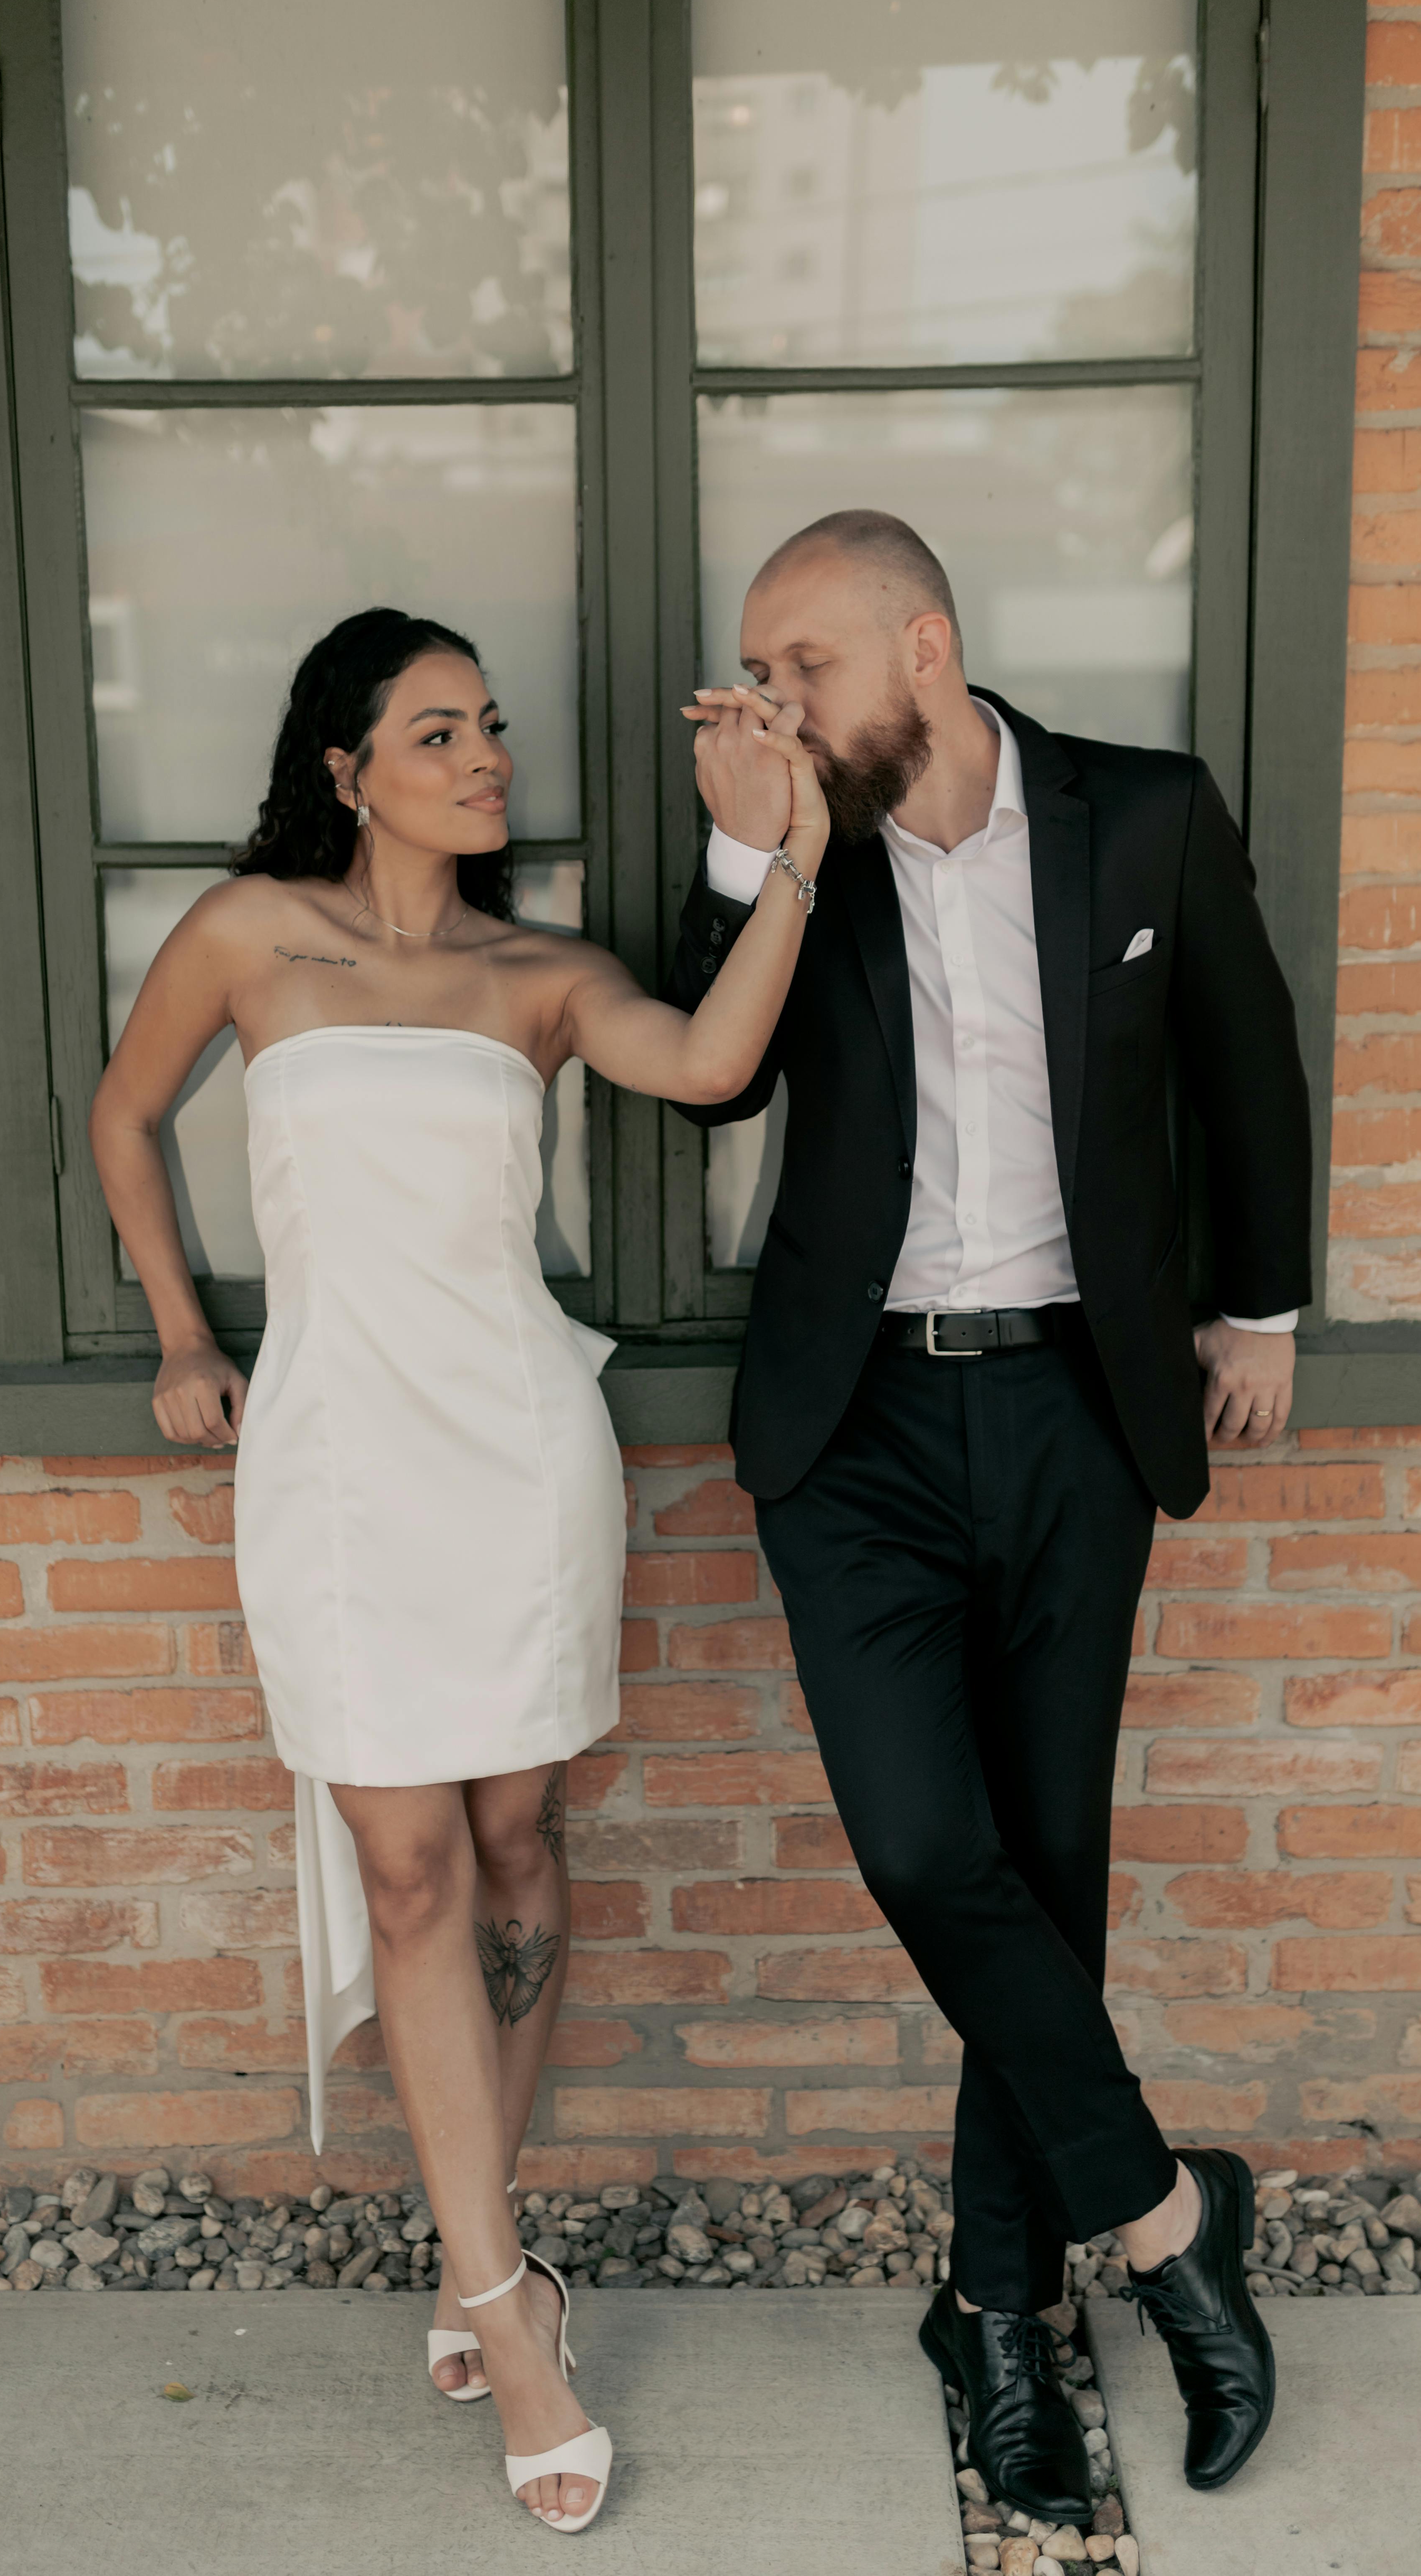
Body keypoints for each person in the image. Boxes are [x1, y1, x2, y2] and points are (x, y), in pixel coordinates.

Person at [89, 605, 827, 2537]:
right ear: (344, 770)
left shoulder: (539, 975)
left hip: (514, 1455)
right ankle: (507, 2318)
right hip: (335, 1464)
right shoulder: (254, 937)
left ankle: (469, 2244)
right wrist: (181, 1335)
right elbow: (123, 1115)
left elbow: (710, 1059)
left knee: (516, 1856)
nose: (482, 757)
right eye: (436, 732)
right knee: (401, 1859)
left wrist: (795, 857)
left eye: (488, 726)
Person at [667, 512, 1306, 2518]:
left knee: (1043, 1868)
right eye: (755, 674)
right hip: (851, 1426)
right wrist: (748, 841)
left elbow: (1245, 1066)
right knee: (933, 1848)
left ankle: (990, 2307)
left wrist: (1261, 1306)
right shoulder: (805, 850)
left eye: (802, 667)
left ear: (922, 649)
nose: (771, 701)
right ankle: (1162, 2220)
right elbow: (710, 1089)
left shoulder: (1135, 815)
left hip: (1068, 1406)